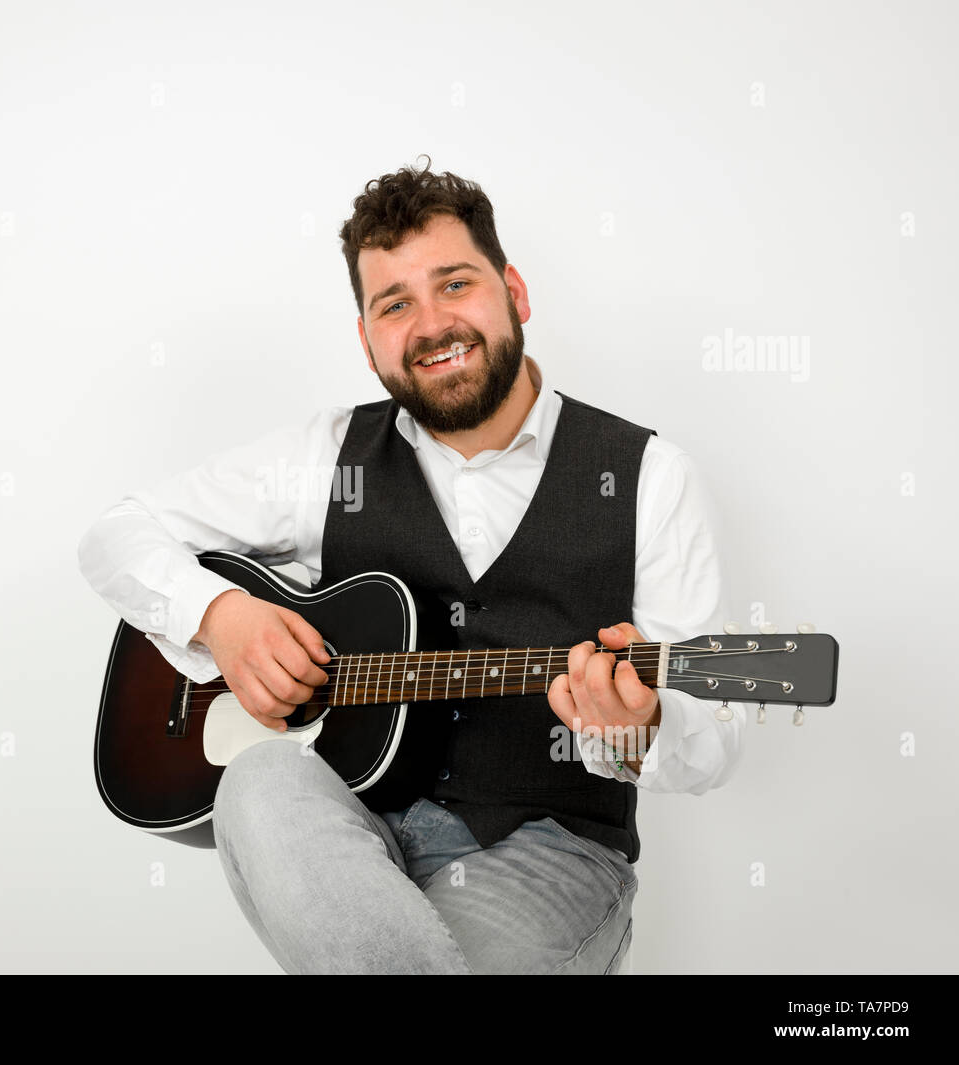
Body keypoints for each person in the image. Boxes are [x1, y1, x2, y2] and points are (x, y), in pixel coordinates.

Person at [78, 156, 745, 974]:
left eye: (455, 284)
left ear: (515, 293)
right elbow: (116, 535)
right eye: (395, 304)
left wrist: (636, 723)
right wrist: (224, 616)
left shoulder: (650, 474)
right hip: (348, 832)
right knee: (255, 782)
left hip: (550, 854)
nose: (431, 325)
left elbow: (712, 736)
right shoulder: (326, 455)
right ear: (367, 342)